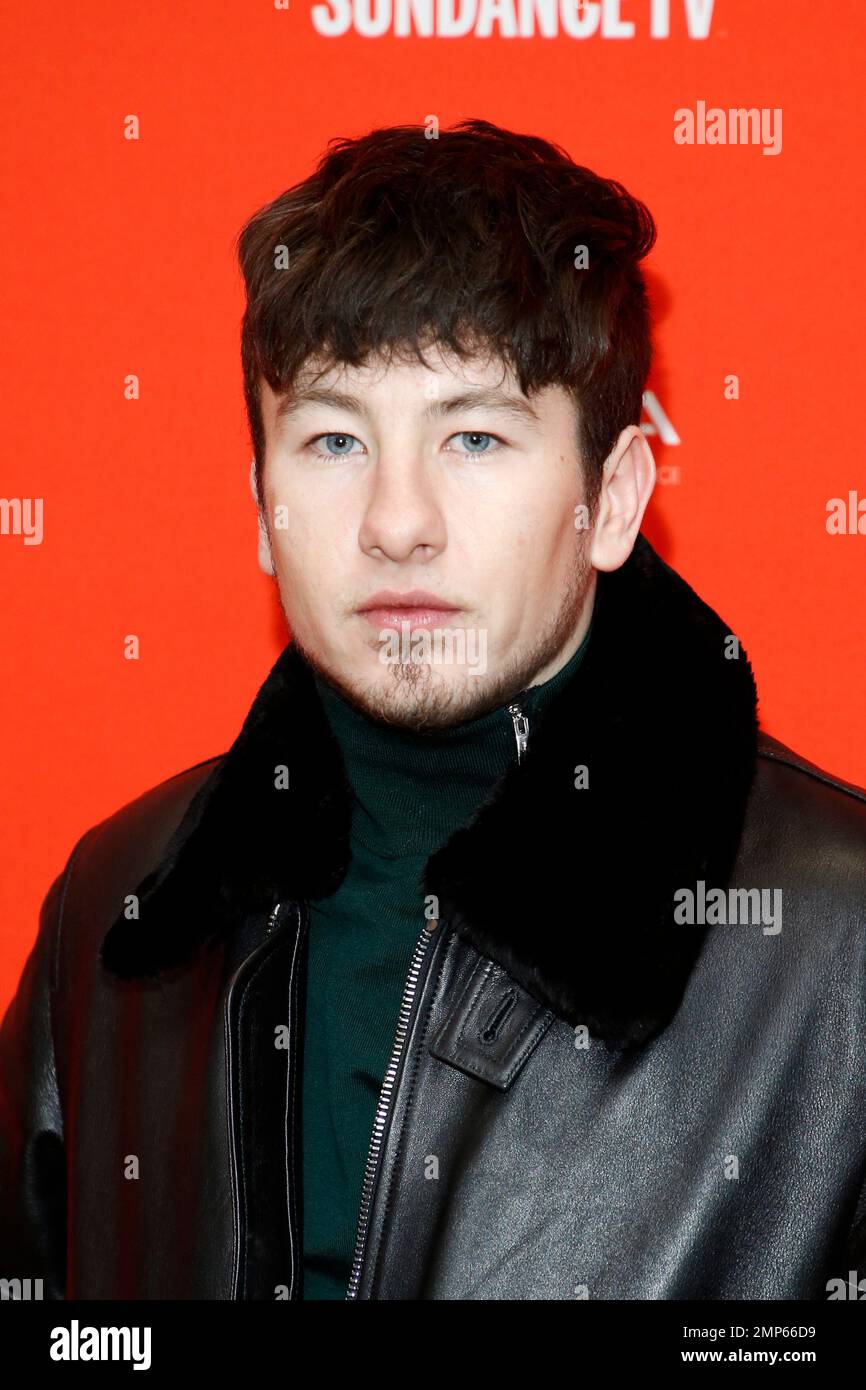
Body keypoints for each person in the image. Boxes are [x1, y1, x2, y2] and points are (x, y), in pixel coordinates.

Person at [2, 119, 865, 1301]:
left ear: (610, 500)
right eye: (333, 438)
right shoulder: (122, 905)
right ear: (262, 505)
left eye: (471, 436)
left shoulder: (840, 936)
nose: (394, 520)